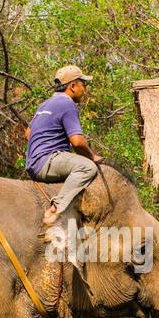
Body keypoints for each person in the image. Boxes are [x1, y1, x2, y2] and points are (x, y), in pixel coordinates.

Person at [25, 65, 102, 227]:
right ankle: (56, 209)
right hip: (47, 161)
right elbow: (77, 142)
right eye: (83, 83)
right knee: (88, 167)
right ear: (73, 86)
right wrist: (93, 156)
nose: (85, 88)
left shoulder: (45, 104)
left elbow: (28, 134)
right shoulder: (67, 104)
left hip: (32, 163)